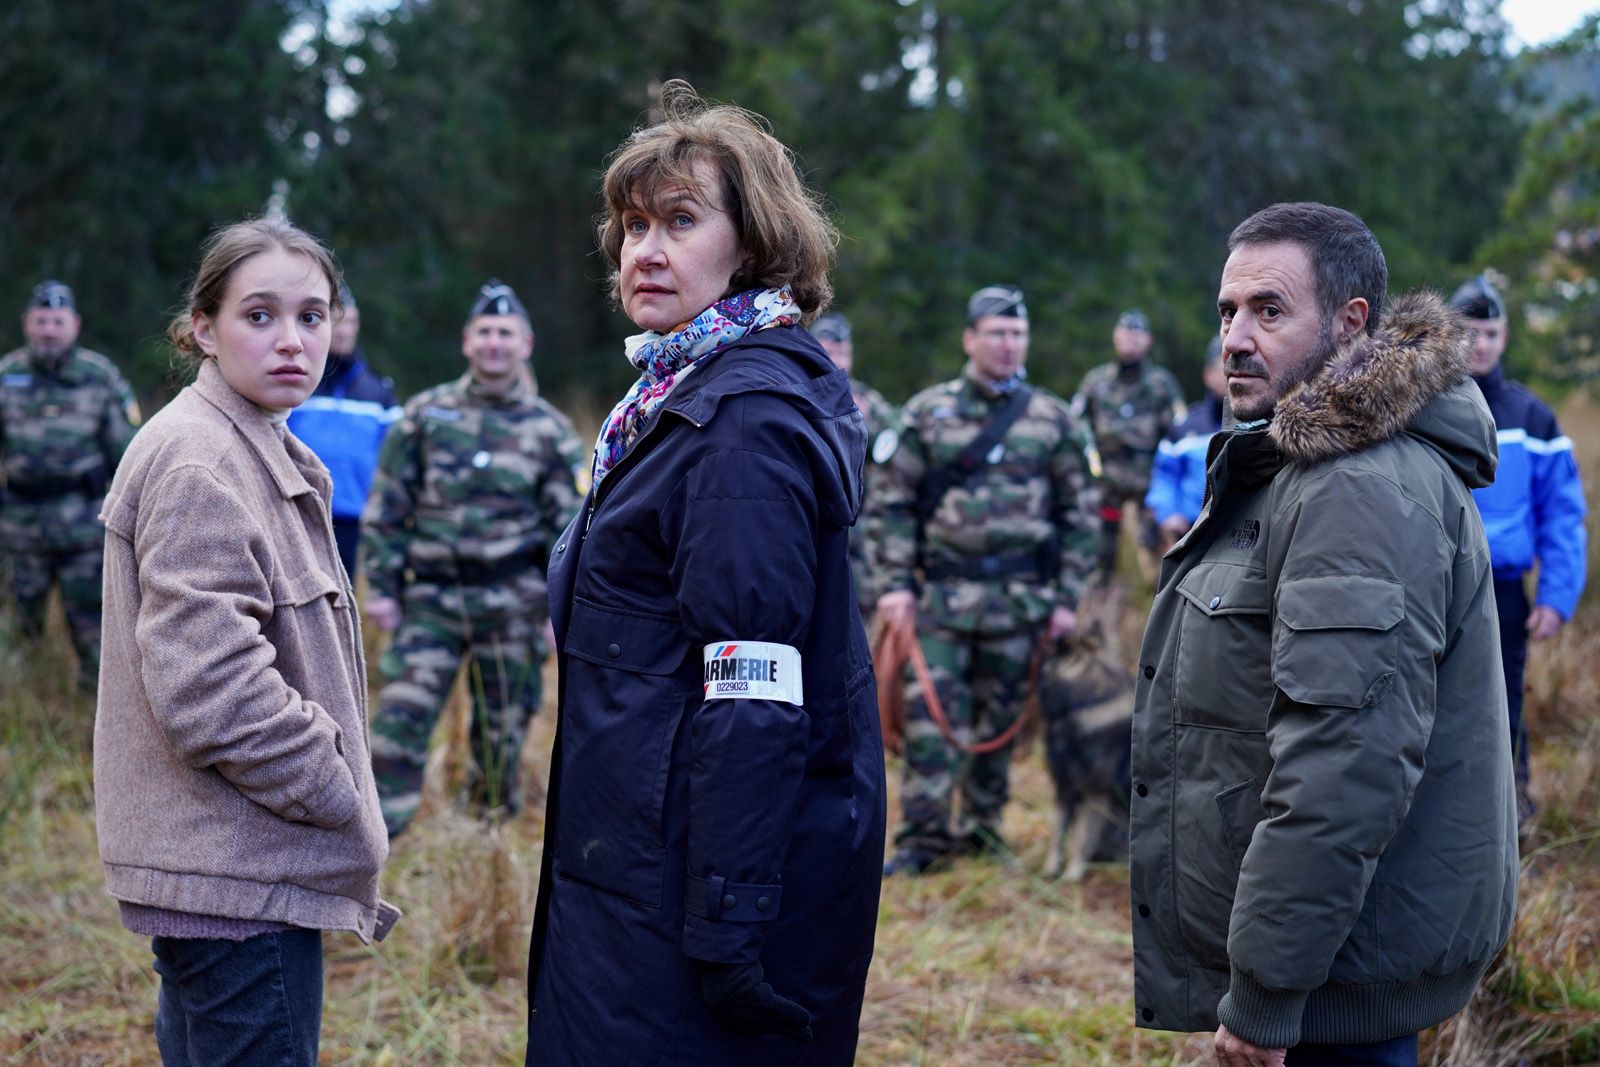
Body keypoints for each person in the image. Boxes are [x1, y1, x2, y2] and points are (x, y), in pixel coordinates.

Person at [525, 82, 884, 1065]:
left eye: (680, 221)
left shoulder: (741, 422)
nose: (644, 248)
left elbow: (754, 687)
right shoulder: (675, 393)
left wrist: (727, 920)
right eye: (632, 224)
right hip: (646, 844)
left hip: (686, 871)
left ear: (753, 242)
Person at [1129, 202, 1517, 1066]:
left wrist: (1267, 993)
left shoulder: (1359, 489)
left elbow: (1344, 760)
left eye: (1269, 310)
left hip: (1328, 985)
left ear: (1351, 325)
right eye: (1226, 311)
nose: (1234, 336)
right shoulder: (1302, 469)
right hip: (1318, 964)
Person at [93, 217, 398, 1066]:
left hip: (231, 870)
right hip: (243, 883)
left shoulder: (250, 437)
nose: (294, 340)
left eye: (312, 315)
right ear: (203, 326)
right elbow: (211, 693)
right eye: (258, 315)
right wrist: (335, 787)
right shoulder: (203, 462)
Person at [873, 284, 1100, 876]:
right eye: (997, 333)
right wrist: (895, 586)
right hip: (941, 599)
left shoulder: (1052, 420)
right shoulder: (927, 415)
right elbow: (890, 504)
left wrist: (1068, 600)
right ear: (970, 339)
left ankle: (982, 830)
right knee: (929, 720)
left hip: (1021, 601)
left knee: (1000, 724)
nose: (1008, 345)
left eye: (1018, 334)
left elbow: (1080, 514)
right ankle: (923, 839)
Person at [362, 279, 584, 837]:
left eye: (505, 333)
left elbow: (570, 533)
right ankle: (376, 841)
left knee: (501, 738)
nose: (494, 343)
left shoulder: (550, 431)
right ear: (466, 341)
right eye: (484, 332)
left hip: (513, 607)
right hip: (430, 601)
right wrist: (383, 588)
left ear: (525, 344)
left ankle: (483, 851)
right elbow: (388, 503)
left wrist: (560, 614)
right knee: (396, 729)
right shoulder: (425, 416)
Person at [1449, 274, 1587, 824]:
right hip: (1432, 585)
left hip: (1502, 591)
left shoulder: (1533, 418)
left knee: (1502, 700)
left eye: (1490, 332)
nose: (1479, 344)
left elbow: (1563, 514)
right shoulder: (1422, 410)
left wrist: (1556, 596)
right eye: (1467, 331)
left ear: (1504, 338)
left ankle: (1512, 810)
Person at [0, 280, 140, 691]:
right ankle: (19, 711)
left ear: (74, 325)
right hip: (18, 530)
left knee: (95, 630)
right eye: (41, 321)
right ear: (27, 324)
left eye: (57, 322)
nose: (49, 330)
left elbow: (129, 457)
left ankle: (93, 717)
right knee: (15, 627)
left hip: (85, 529)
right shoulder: (6, 378)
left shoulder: (100, 378)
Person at [285, 283, 400, 577]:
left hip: (352, 518)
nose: (345, 331)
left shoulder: (379, 391)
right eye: (337, 322)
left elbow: (395, 459)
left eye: (351, 322)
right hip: (297, 513)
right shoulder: (295, 382)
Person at [1071, 308, 1184, 583]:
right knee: (1098, 557)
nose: (1130, 339)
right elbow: (1074, 424)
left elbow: (1179, 430)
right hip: (1105, 481)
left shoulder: (1161, 384)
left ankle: (1150, 610)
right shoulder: (1096, 382)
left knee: (1154, 561)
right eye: (1125, 333)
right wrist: (1089, 459)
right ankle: (1099, 611)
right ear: (1115, 337)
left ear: (1148, 340)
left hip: (1149, 483)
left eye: (1137, 334)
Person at [810, 310, 897, 617]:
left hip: (859, 530)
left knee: (856, 610)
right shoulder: (797, 392)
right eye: (828, 350)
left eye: (842, 352)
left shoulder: (868, 402)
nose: (836, 359)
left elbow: (892, 451)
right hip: (810, 521)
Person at [1145, 337, 1228, 549]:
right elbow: (1164, 475)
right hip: (1190, 533)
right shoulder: (1184, 425)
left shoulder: (1261, 421)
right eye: (1223, 368)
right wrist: (1168, 514)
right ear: (1207, 376)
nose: (1230, 375)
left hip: (1240, 533)